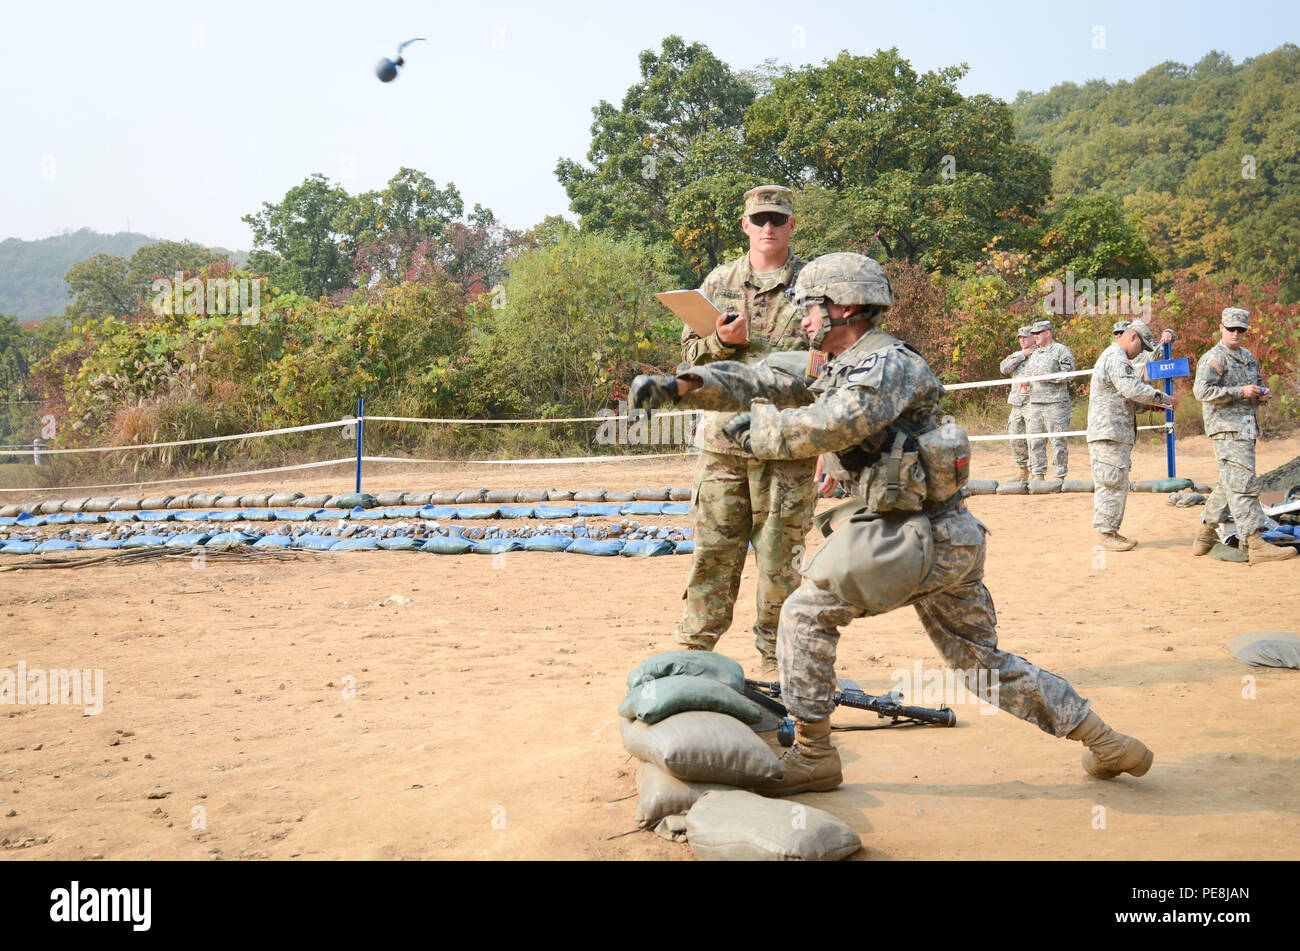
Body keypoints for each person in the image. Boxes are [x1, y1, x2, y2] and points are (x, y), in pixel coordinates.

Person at [630, 253, 1153, 794]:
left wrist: (750, 433)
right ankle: (1107, 742)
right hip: (941, 535)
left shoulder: (886, 365)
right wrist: (681, 388)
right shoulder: (837, 360)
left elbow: (827, 425)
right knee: (980, 662)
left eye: (811, 306)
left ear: (846, 307)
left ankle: (814, 756)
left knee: (804, 616)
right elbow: (759, 377)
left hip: (918, 535)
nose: (803, 317)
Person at [675, 185, 816, 671]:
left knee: (782, 565)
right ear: (745, 225)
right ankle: (695, 654)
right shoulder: (717, 282)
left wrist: (838, 448)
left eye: (777, 218)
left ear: (792, 224)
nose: (768, 228)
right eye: (759, 220)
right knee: (713, 555)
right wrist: (718, 339)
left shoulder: (815, 285)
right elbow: (690, 359)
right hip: (724, 445)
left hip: (790, 445)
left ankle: (778, 660)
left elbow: (839, 363)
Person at [1192, 308, 1295, 564]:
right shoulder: (1214, 358)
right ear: (1221, 328)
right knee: (1245, 484)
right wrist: (1240, 392)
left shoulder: (1247, 357)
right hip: (1227, 428)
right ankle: (1255, 541)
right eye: (1231, 329)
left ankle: (1205, 534)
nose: (1236, 334)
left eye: (1241, 329)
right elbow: (1201, 392)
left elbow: (1257, 384)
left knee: (1230, 482)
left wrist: (1262, 394)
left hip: (1247, 427)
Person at [1087, 321, 1175, 551]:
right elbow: (1132, 389)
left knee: (1116, 482)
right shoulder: (1116, 358)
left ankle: (1111, 531)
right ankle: (1107, 533)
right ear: (1133, 337)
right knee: (1111, 483)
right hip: (1109, 433)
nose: (1141, 354)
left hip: (1114, 432)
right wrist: (1161, 398)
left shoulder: (1116, 357)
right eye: (1141, 348)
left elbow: (1124, 399)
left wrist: (1148, 407)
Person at [1023, 319, 1075, 480]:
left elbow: (1070, 374)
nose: (1035, 337)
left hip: (1056, 404)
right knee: (1035, 441)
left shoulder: (1061, 350)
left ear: (1048, 333)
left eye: (1038, 333)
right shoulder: (1035, 354)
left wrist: (1050, 378)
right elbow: (1028, 375)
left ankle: (1059, 476)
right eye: (1034, 334)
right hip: (1035, 403)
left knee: (1058, 442)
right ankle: (1038, 474)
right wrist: (1025, 382)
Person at [999, 326, 1037, 483]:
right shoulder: (1018, 355)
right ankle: (1023, 470)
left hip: (1033, 401)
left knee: (1033, 439)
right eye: (1020, 337)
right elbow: (1003, 368)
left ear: (1033, 338)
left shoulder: (1041, 354)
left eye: (1025, 337)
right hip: (1017, 402)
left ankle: (1036, 472)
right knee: (1015, 436)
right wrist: (1022, 355)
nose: (1022, 340)